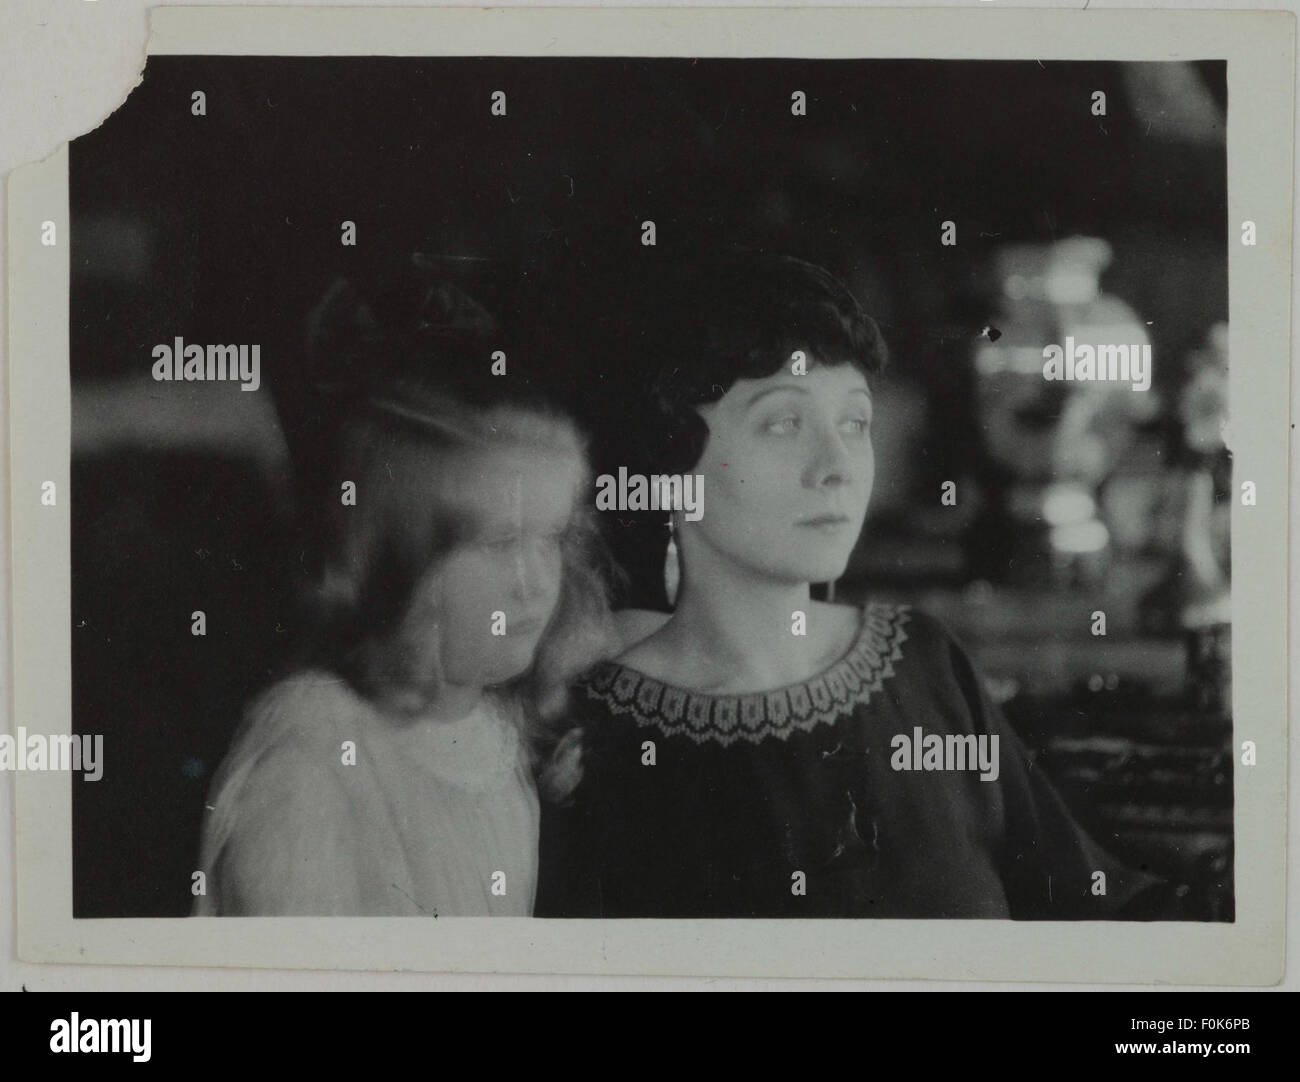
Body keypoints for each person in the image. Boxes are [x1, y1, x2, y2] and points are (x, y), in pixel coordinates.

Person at [536, 251, 1178, 919]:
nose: (837, 466)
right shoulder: (597, 740)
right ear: (671, 464)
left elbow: (1096, 903)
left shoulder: (923, 663)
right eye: (784, 424)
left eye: (855, 423)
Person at [195, 280, 613, 916]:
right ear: (405, 558)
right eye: (499, 542)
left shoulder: (495, 733)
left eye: (550, 538)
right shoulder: (312, 760)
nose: (536, 581)